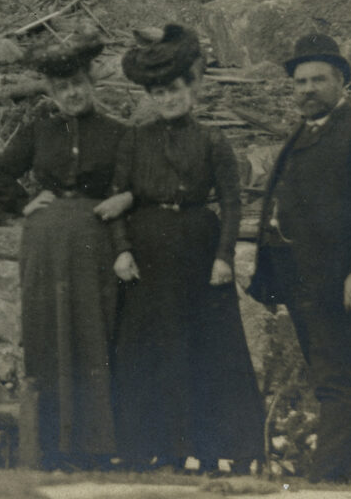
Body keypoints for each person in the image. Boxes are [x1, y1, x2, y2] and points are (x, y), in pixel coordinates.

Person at [104, 24, 265, 472]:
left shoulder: (212, 140)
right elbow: (117, 198)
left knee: (205, 348)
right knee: (151, 349)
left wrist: (223, 257)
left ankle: (213, 449)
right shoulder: (135, 139)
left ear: (190, 89)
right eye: (159, 93)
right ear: (149, 97)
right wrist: (122, 250)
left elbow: (231, 202)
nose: (168, 100)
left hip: (198, 247)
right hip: (149, 250)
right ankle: (157, 448)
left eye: (174, 90)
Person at [252, 31, 351, 483]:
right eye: (300, 82)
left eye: (318, 80)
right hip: (302, 276)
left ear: (341, 82)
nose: (308, 90)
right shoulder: (305, 131)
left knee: (333, 375)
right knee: (340, 369)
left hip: (338, 279)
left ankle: (328, 474)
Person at [0, 34, 125, 467]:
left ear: (91, 82)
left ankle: (98, 442)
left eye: (78, 83)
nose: (72, 93)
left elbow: (131, 185)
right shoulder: (39, 131)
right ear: (51, 92)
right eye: (63, 88)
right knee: (48, 333)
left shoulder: (118, 133)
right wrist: (24, 203)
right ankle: (50, 443)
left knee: (95, 333)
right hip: (45, 247)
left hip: (95, 246)